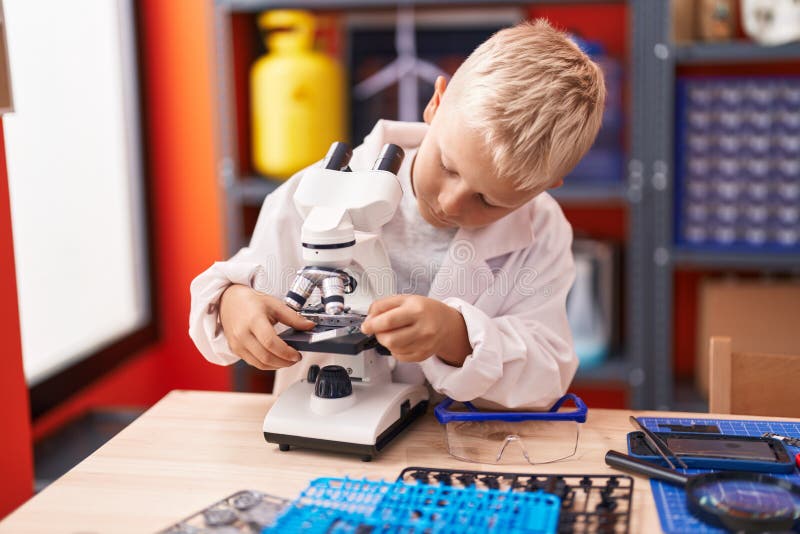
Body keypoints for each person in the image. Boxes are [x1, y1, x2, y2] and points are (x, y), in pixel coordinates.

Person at [189, 19, 606, 409]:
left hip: (454, 447)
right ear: (435, 105)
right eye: (448, 166)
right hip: (322, 424)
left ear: (540, 189)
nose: (451, 202)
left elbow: (548, 371)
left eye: (488, 200)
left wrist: (455, 335)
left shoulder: (544, 229)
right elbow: (241, 289)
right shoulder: (315, 190)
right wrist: (232, 303)